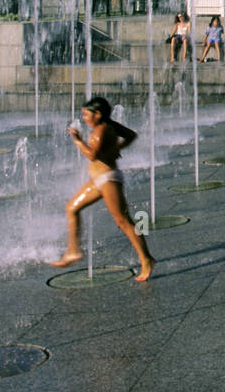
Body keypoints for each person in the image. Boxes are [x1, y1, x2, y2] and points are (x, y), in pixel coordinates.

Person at [51, 96, 155, 282]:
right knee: (71, 208)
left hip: (108, 179)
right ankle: (72, 251)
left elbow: (92, 155)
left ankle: (146, 259)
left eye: (86, 114)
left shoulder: (101, 130)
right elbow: (132, 135)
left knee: (124, 221)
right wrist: (117, 147)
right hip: (98, 180)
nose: (83, 118)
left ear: (97, 114)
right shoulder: (110, 125)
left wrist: (77, 140)